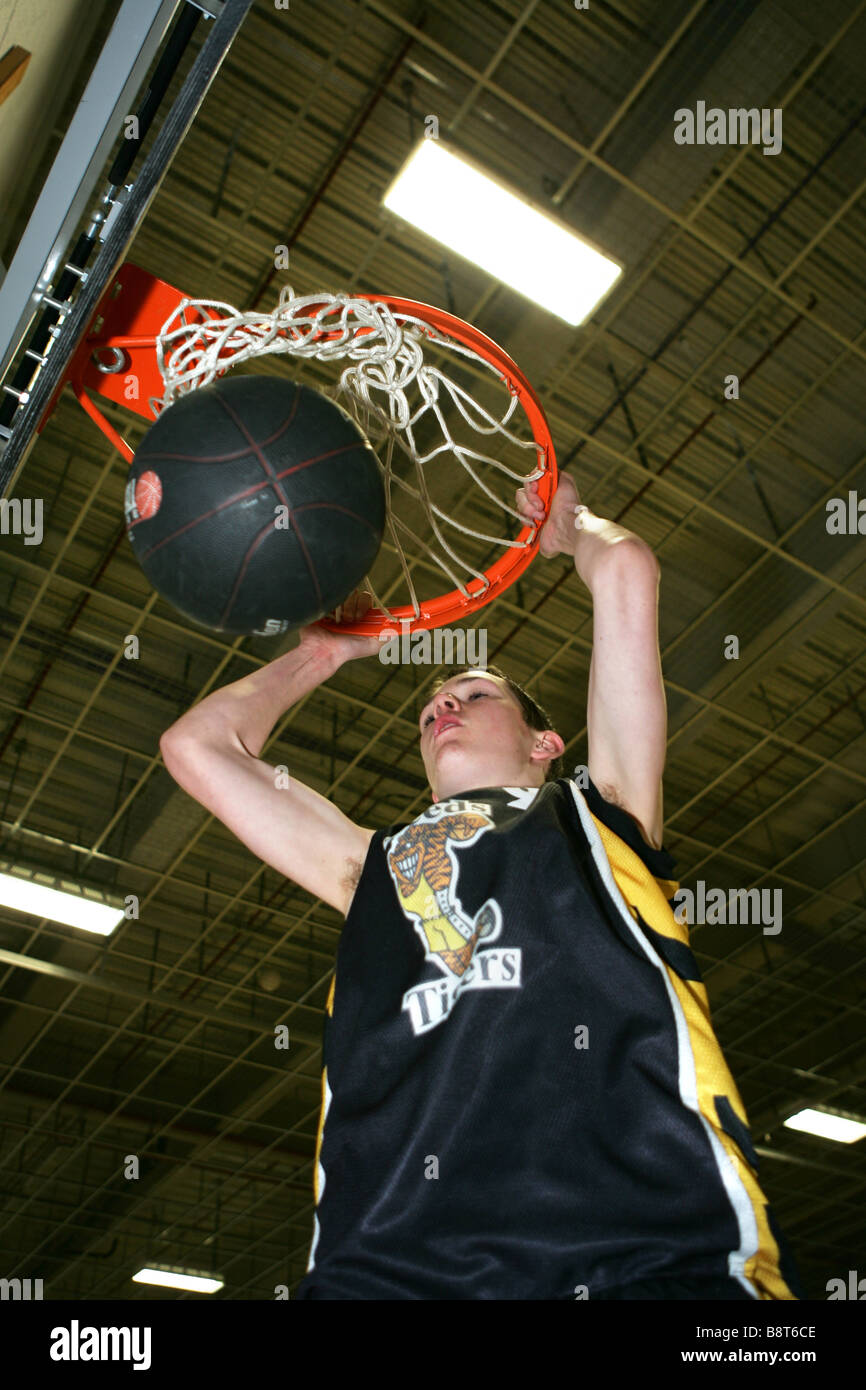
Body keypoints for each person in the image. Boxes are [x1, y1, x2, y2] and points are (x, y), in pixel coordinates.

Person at [159, 472, 804, 1301]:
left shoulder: (599, 811)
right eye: (431, 709)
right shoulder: (370, 866)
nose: (442, 709)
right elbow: (197, 749)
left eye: (474, 694)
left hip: (642, 1250)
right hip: (392, 1270)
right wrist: (323, 653)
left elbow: (627, 570)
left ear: (545, 743)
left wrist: (565, 526)